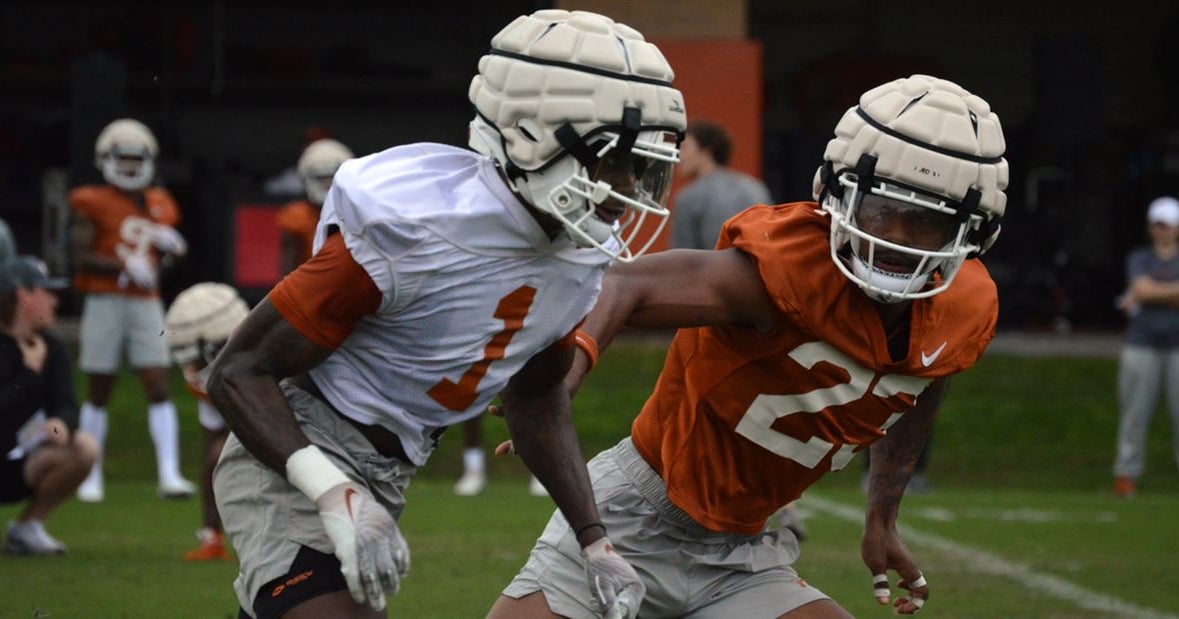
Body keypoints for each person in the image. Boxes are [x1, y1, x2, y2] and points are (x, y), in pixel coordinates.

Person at [205, 9, 686, 618]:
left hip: (392, 464)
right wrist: (330, 490)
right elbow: (238, 371)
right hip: (297, 444)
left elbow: (537, 399)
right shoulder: (413, 226)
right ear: (531, 135)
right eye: (610, 159)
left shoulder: (576, 254)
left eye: (640, 166)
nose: (626, 188)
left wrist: (596, 542)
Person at [488, 74, 1008, 618]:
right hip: (632, 515)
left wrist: (882, 513)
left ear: (972, 233)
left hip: (746, 555)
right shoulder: (784, 270)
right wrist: (564, 376)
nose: (897, 236)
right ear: (837, 193)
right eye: (882, 208)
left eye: (927, 221)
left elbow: (927, 373)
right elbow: (626, 283)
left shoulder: (962, 307)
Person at [70, 118, 195, 503]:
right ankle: (90, 474)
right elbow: (78, 255)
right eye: (120, 159)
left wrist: (170, 253)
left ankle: (170, 474)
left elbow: (162, 263)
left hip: (146, 302)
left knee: (158, 383)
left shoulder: (160, 202)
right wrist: (123, 266)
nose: (127, 167)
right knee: (100, 388)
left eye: (134, 159)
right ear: (105, 159)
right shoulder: (90, 200)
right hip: (105, 299)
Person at [1, 255, 99, 555]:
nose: (54, 302)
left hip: (18, 462)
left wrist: (60, 424)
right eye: (46, 292)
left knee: (84, 447)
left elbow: (67, 404)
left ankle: (27, 528)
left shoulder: (52, 348)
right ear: (23, 295)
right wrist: (29, 374)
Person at [164, 282, 250, 560]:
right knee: (214, 455)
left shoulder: (264, 362)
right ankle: (212, 536)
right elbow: (213, 437)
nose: (192, 361)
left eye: (195, 348)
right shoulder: (208, 378)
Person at [1112, 196, 1179, 498]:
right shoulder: (1139, 257)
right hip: (1141, 344)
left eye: (1167, 226)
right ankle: (1126, 474)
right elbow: (1139, 289)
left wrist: (1151, 292)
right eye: (1158, 226)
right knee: (1134, 412)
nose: (1162, 231)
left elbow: (1145, 291)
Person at [669, 119, 772, 250]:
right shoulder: (756, 187)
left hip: (712, 269)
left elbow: (682, 259)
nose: (678, 154)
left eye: (684, 147)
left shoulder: (688, 198)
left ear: (706, 151)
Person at [277, 138, 355, 276]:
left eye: (331, 177)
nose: (326, 185)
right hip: (312, 284)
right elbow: (288, 266)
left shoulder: (360, 212)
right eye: (321, 178)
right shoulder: (297, 216)